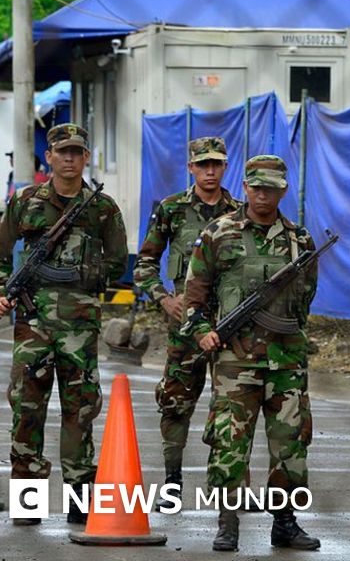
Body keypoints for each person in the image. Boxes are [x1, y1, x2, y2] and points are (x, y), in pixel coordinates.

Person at [0, 124, 128, 526]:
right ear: (49, 156)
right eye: (62, 151)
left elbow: (118, 262)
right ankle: (27, 499)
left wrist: (85, 271)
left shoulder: (102, 207)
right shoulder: (26, 201)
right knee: (27, 408)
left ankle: (79, 500)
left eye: (77, 152)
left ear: (86, 158)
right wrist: (0, 290)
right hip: (32, 324)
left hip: (80, 327)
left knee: (80, 411)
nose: (69, 158)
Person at [182, 155, 320, 553]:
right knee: (229, 442)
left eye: (271, 187)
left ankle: (286, 523)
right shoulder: (218, 234)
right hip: (234, 361)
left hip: (287, 360)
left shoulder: (300, 240)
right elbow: (195, 294)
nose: (263, 194)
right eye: (256, 186)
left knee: (290, 443)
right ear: (245, 187)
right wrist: (203, 331)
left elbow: (306, 295)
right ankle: (227, 524)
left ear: (283, 190)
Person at [133, 136, 241, 510]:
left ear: (225, 166)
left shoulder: (240, 213)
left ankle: (227, 486)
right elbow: (145, 262)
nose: (210, 171)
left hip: (232, 324)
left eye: (217, 164)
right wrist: (163, 298)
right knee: (176, 401)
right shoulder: (171, 209)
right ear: (190, 167)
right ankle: (173, 483)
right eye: (203, 164)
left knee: (231, 405)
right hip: (186, 323)